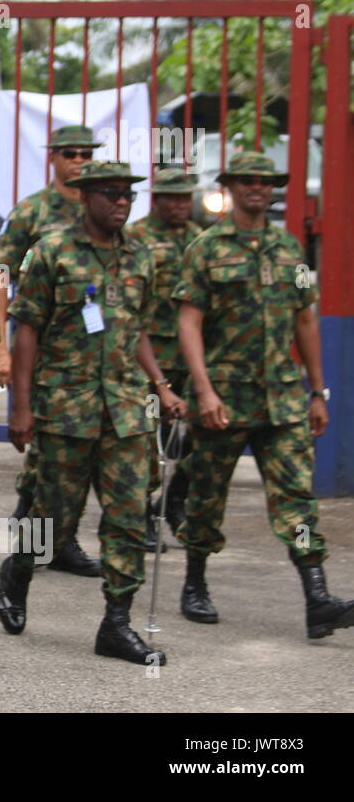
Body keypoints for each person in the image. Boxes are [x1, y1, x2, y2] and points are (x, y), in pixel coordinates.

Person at [1, 160, 183, 665]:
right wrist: (21, 406)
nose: (121, 202)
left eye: (127, 194)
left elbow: (138, 329)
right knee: (55, 517)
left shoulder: (141, 257)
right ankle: (18, 570)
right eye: (110, 193)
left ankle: (116, 623)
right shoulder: (53, 252)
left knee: (127, 518)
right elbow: (27, 328)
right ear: (85, 197)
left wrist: (162, 386)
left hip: (125, 410)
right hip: (66, 407)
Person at [172, 152, 353, 638]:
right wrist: (203, 390)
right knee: (207, 497)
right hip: (224, 400)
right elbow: (188, 321)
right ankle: (194, 582)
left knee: (297, 501)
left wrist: (319, 391)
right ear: (229, 187)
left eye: (265, 181)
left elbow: (305, 319)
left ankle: (317, 597)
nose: (257, 187)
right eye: (247, 180)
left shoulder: (289, 249)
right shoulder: (206, 248)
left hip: (283, 400)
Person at [0, 123, 102, 577]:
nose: (79, 161)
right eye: (71, 154)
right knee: (52, 450)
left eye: (86, 154)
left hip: (91, 352)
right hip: (44, 349)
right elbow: (1, 276)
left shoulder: (102, 208)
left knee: (71, 455)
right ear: (53, 158)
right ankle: (40, 541)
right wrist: (0, 344)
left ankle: (52, 534)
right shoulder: (32, 212)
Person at [127, 164, 200, 549]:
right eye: (173, 197)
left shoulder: (200, 239)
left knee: (196, 439)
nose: (181, 204)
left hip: (188, 356)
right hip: (148, 354)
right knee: (144, 438)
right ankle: (140, 512)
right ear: (157, 199)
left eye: (186, 197)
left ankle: (174, 501)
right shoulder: (135, 237)